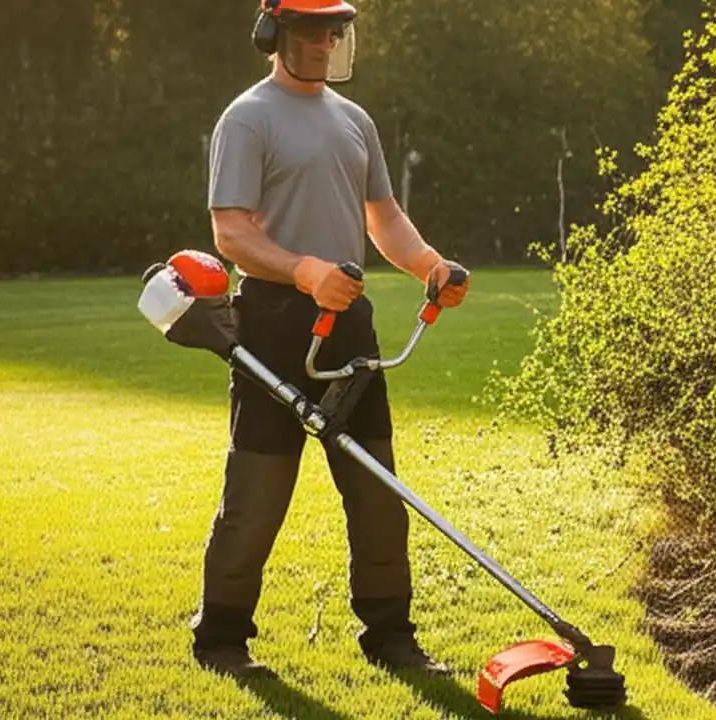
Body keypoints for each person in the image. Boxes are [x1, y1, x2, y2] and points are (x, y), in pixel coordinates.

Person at [190, 0, 470, 678]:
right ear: (273, 34)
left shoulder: (354, 121)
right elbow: (231, 234)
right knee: (258, 492)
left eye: (334, 31)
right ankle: (222, 639)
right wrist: (303, 270)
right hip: (272, 323)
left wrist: (431, 265)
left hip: (350, 324)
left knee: (377, 489)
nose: (325, 43)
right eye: (312, 31)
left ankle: (390, 638)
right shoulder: (247, 117)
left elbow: (385, 218)